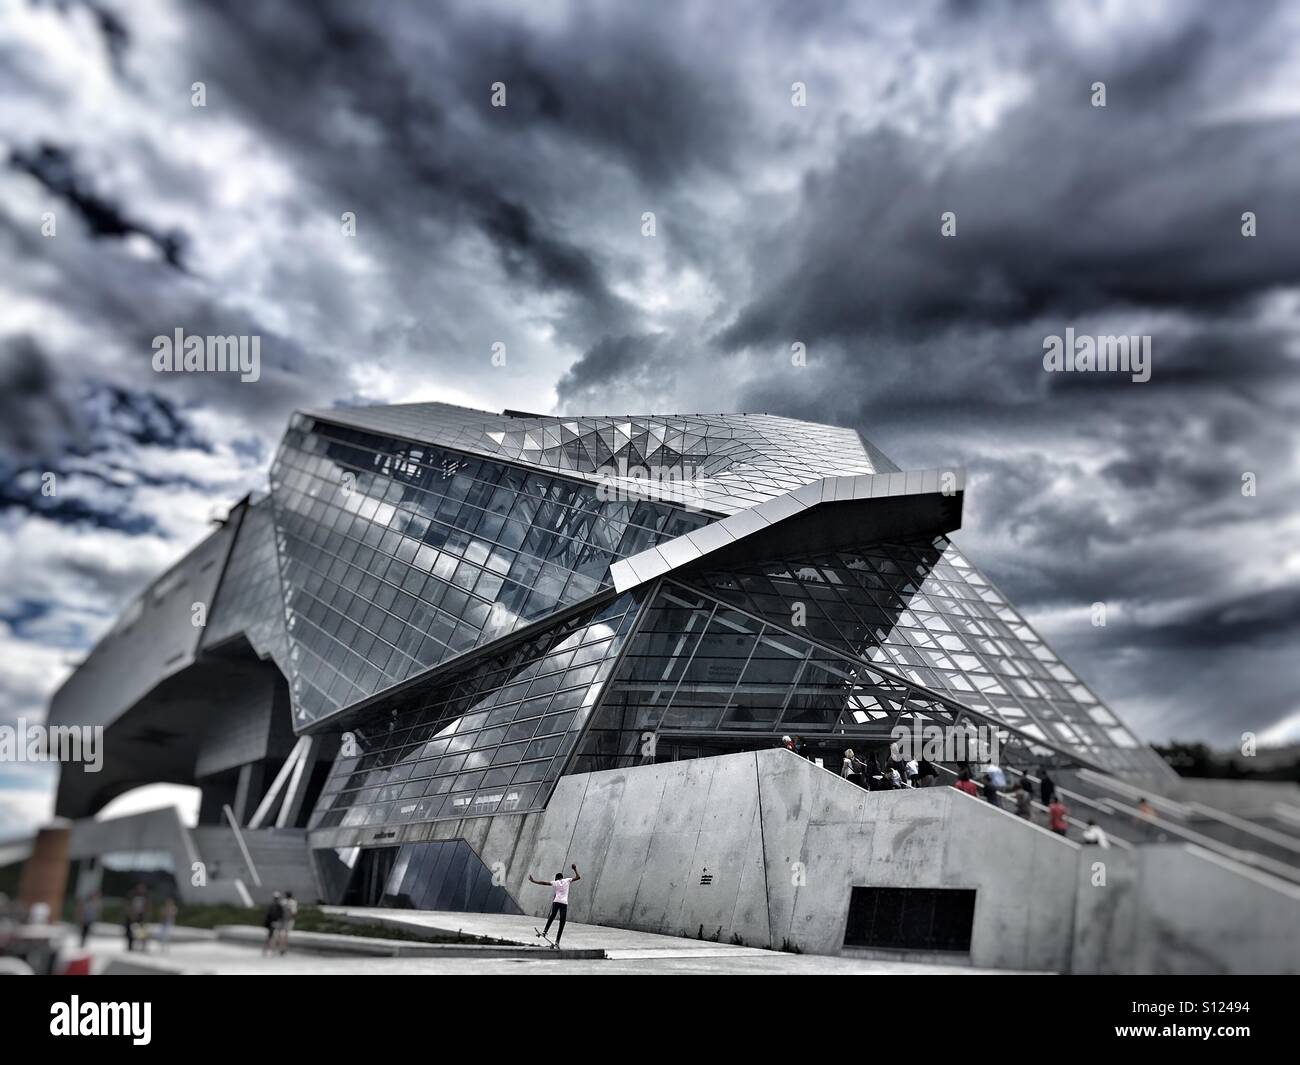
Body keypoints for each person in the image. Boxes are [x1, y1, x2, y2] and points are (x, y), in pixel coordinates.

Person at [529, 864, 581, 949]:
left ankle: (545, 931)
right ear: (562, 877)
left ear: (556, 878)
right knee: (562, 922)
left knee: (552, 915)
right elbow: (578, 877)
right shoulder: (567, 880)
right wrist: (575, 869)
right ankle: (557, 941)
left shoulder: (555, 882)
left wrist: (534, 881)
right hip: (564, 903)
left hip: (556, 902)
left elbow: (544, 883)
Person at [263, 892, 284, 956]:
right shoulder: (278, 906)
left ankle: (268, 949)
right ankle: (272, 950)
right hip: (275, 923)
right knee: (274, 937)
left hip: (273, 923)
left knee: (271, 937)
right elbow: (281, 915)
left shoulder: (272, 905)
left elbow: (268, 915)